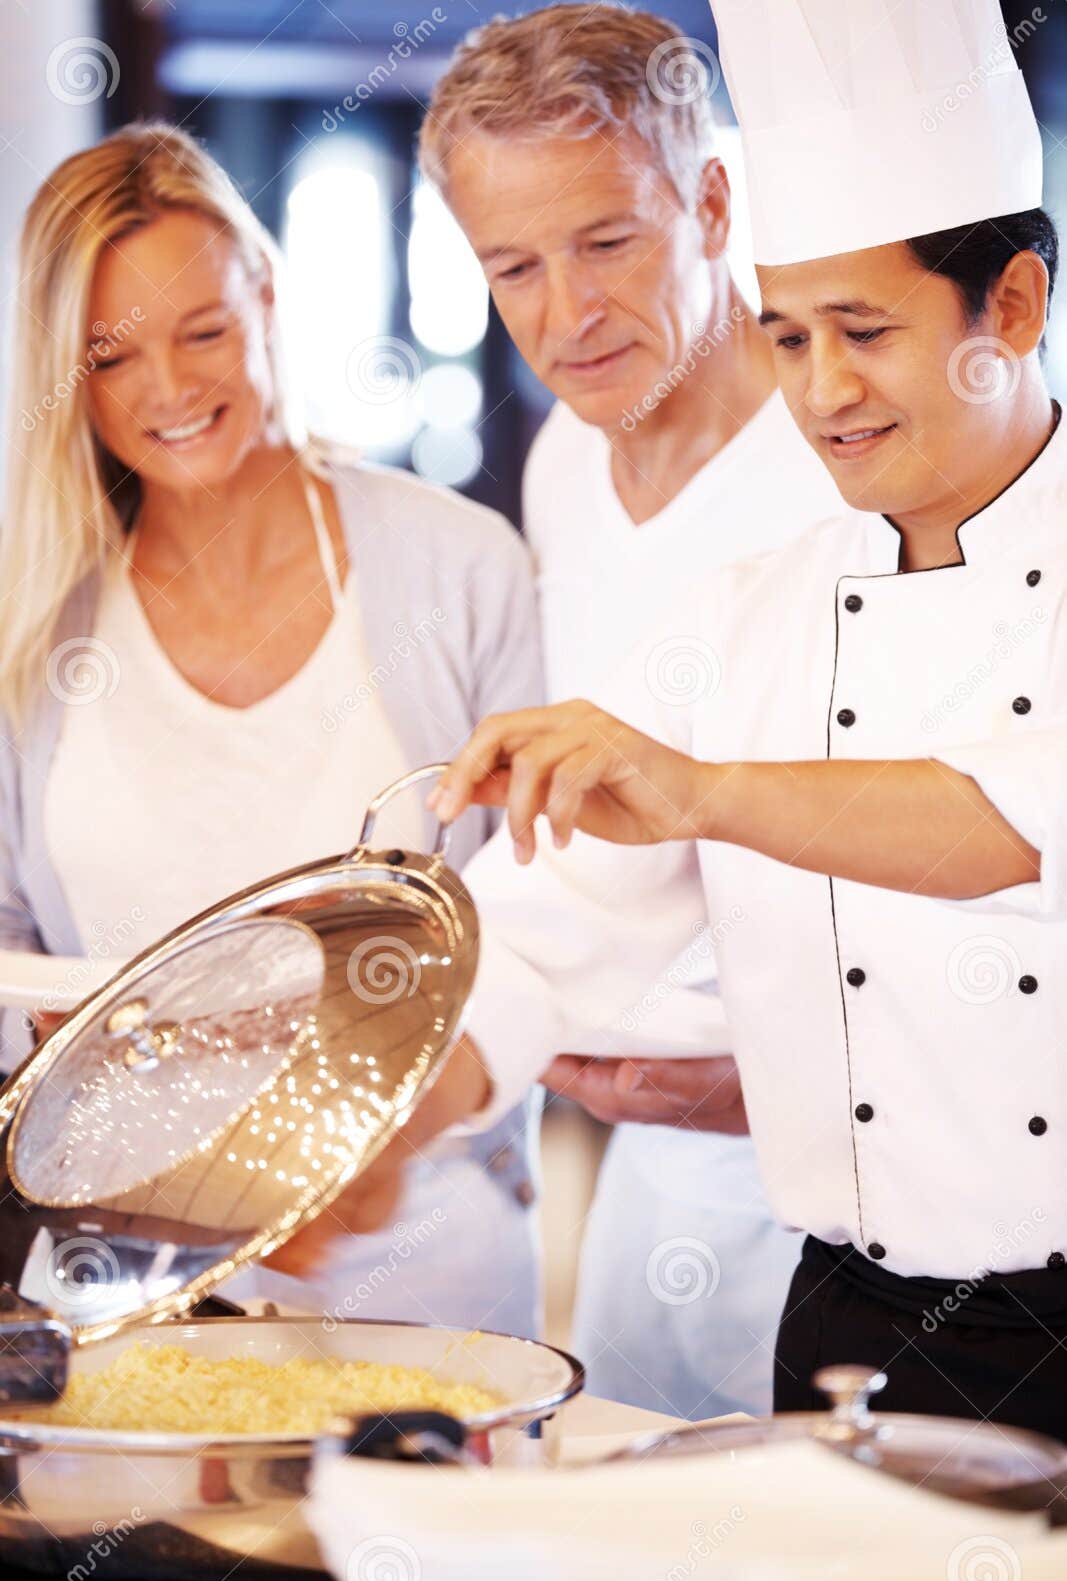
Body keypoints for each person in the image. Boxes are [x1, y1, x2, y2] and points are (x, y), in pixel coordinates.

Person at [283, 0, 1067, 1443]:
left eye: (863, 332)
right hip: (837, 1311)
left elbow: (1013, 821)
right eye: (786, 335)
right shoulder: (748, 607)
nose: (819, 390)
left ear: (1007, 309)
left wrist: (702, 790)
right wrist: (368, 1124)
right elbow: (545, 913)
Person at [0, 121, 543, 1339]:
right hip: (121, 1267)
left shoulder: (458, 565)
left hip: (416, 1253)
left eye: (205, 331)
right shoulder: (32, 619)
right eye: (112, 355)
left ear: (269, 302)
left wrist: (382, 1124)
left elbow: (533, 911)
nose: (174, 390)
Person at [417, 3, 842, 1420]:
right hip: (646, 1180)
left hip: (861, 1189)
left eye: (605, 242)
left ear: (710, 200)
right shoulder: (561, 465)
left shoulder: (845, 468)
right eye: (512, 268)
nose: (564, 314)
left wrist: (760, 1089)